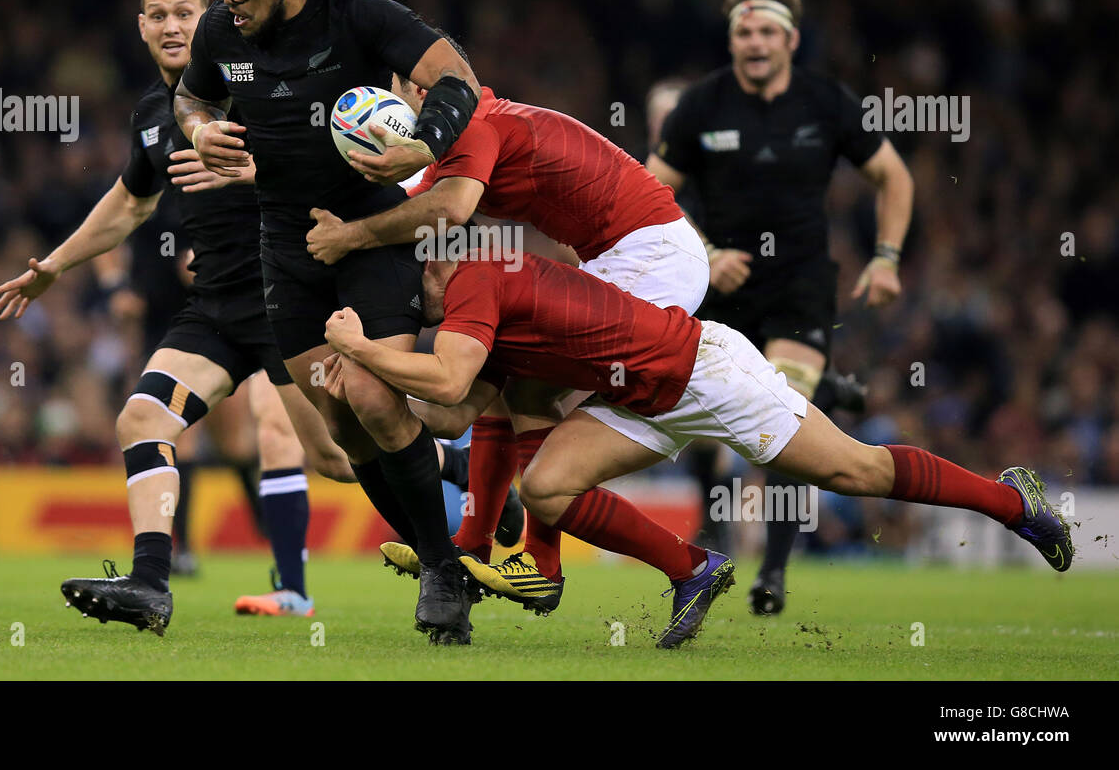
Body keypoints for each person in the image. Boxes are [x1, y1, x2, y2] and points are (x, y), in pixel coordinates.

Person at [322, 252, 1074, 648]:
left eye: (396, 299)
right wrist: (363, 393)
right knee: (547, 487)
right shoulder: (475, 310)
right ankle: (693, 570)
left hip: (705, 373)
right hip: (639, 399)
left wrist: (359, 348)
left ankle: (1015, 502)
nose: (399, 319)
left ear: (428, 267)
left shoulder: (474, 285)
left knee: (855, 470)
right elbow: (450, 412)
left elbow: (447, 381)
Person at [0, 0, 354, 631]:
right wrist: (56, 267)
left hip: (290, 302)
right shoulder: (154, 113)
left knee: (337, 456)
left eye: (185, 12)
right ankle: (152, 586)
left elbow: (329, 156)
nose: (171, 25)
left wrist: (254, 168)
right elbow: (130, 203)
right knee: (141, 419)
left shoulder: (252, 79)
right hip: (216, 314)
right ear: (141, 27)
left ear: (210, 17)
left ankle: (452, 468)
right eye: (158, 15)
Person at [175, 0, 484, 642]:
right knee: (343, 433)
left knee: (376, 399)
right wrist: (202, 128)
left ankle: (441, 569)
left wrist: (426, 144)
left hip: (369, 236)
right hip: (285, 248)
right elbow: (190, 95)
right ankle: (451, 513)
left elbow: (457, 78)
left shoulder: (360, 16)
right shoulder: (222, 31)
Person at [303, 53, 709, 611]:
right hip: (628, 252)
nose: (390, 101)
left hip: (651, 254)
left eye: (394, 88)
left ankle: (544, 563)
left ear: (418, 92)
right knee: (505, 387)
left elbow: (445, 210)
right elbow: (401, 202)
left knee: (525, 387)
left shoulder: (473, 127)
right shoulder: (461, 137)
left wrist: (349, 241)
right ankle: (475, 548)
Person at [647, 0, 915, 613]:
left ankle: (772, 570)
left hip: (798, 285)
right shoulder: (702, 105)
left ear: (791, 39)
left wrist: (886, 259)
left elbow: (893, 175)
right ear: (732, 38)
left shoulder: (827, 102)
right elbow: (650, 192)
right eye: (744, 31)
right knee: (711, 429)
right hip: (721, 283)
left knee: (786, 419)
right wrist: (707, 252)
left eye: (767, 31)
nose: (755, 42)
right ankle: (712, 542)